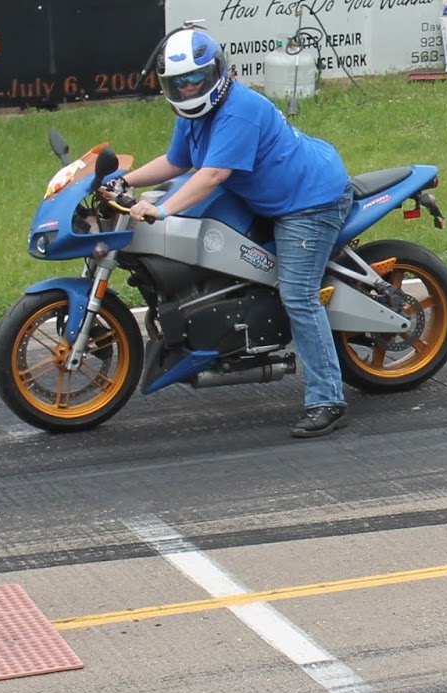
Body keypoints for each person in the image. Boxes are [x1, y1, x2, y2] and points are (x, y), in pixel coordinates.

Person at [116, 27, 353, 438]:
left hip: (310, 200)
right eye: (179, 83)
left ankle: (327, 398)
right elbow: (177, 163)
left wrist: (161, 209)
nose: (189, 88)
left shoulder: (237, 111)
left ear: (218, 72)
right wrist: (125, 181)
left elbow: (210, 176)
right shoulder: (195, 115)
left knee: (297, 294)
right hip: (260, 192)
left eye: (197, 79)